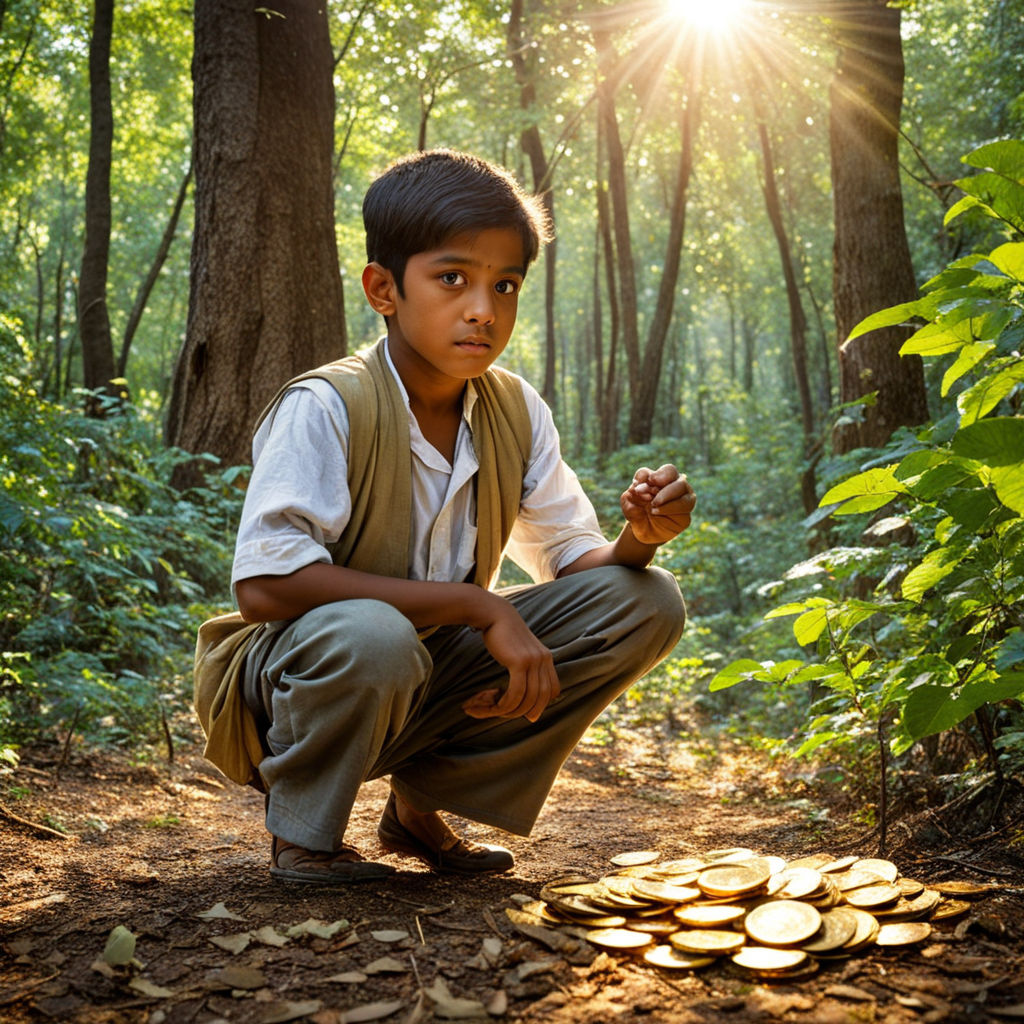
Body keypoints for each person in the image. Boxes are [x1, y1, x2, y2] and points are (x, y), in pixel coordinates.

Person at [209, 149, 696, 884]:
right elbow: (265, 587)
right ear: (384, 289)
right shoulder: (327, 405)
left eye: (505, 285)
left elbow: (574, 560)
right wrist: (477, 605)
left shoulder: (515, 409)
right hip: (293, 687)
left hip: (427, 676)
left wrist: (639, 537)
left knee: (646, 599)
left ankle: (418, 809)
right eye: (452, 279)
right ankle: (303, 836)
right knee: (375, 636)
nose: (483, 310)